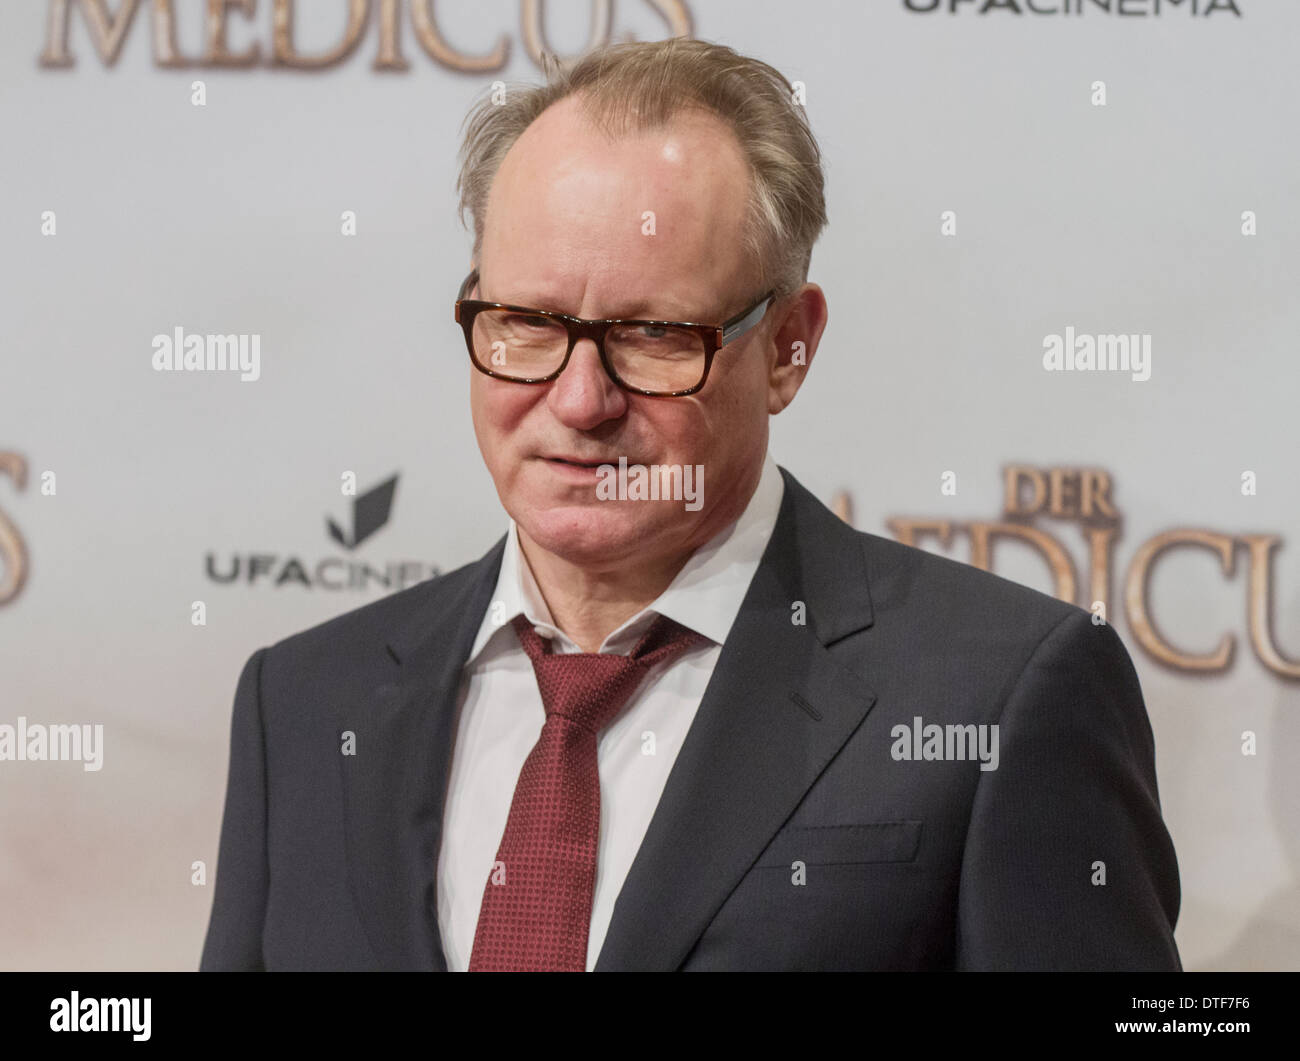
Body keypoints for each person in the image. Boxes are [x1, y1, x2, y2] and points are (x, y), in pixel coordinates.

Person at [200, 37, 1180, 971]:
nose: (580, 399)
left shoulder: (999, 697)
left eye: (655, 333)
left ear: (789, 345)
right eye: (527, 324)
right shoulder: (300, 706)